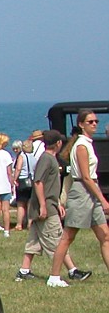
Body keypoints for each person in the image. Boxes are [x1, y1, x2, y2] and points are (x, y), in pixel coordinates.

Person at [48, 110, 109, 287]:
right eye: (90, 122)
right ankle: (54, 276)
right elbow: (86, 177)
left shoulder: (88, 143)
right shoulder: (81, 145)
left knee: (105, 235)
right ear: (82, 125)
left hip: (91, 189)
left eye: (96, 121)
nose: (94, 124)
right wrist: (103, 200)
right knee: (68, 236)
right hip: (83, 191)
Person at [15, 130, 66, 281]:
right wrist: (44, 205)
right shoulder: (47, 159)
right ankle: (69, 271)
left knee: (34, 241)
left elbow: (51, 186)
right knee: (58, 241)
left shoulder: (50, 158)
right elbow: (38, 182)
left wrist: (57, 202)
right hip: (46, 207)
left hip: (50, 203)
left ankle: (24, 271)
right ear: (58, 143)